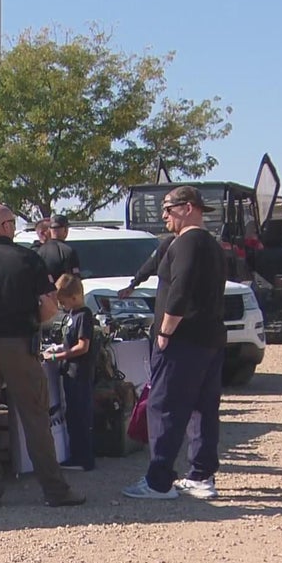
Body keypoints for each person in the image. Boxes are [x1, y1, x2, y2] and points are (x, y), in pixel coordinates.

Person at [0, 204, 86, 508]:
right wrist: (33, 319)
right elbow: (50, 307)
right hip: (19, 344)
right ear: (8, 226)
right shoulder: (27, 259)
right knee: (35, 419)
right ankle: (55, 491)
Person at [121, 186, 226, 500]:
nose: (163, 215)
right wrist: (133, 284)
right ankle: (201, 476)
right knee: (203, 408)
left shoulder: (189, 243)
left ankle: (159, 481)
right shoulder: (210, 245)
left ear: (189, 207)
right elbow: (155, 267)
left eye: (169, 208)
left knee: (164, 406)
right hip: (210, 339)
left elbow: (180, 289)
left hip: (182, 340)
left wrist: (165, 332)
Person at [45, 274, 97, 472]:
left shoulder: (84, 315)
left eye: (63, 301)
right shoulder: (71, 316)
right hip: (69, 371)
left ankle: (83, 458)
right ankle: (76, 454)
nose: (62, 305)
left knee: (80, 414)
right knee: (72, 414)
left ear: (74, 297)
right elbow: (69, 341)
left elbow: (83, 346)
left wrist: (58, 357)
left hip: (79, 372)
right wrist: (57, 349)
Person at [117, 234, 175, 299]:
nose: (167, 223)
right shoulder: (170, 242)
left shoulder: (185, 243)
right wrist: (133, 284)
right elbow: (150, 265)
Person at [37, 214, 81, 282]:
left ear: (50, 230)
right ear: (65, 230)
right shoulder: (69, 251)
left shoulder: (40, 251)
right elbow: (75, 280)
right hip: (64, 291)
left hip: (47, 291)